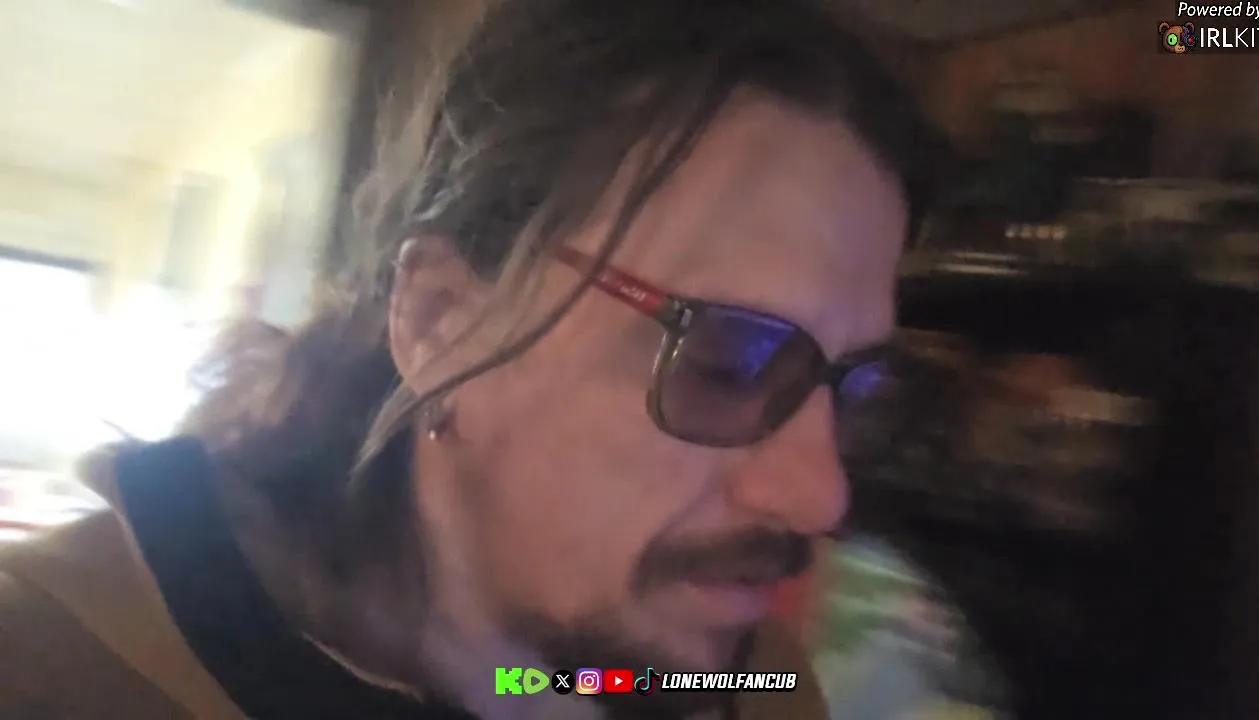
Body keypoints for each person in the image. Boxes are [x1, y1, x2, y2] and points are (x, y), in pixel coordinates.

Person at [0, 0, 941, 717]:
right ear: (443, 320)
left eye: (852, 389)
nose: (820, 497)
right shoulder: (52, 666)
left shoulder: (738, 679)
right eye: (729, 361)